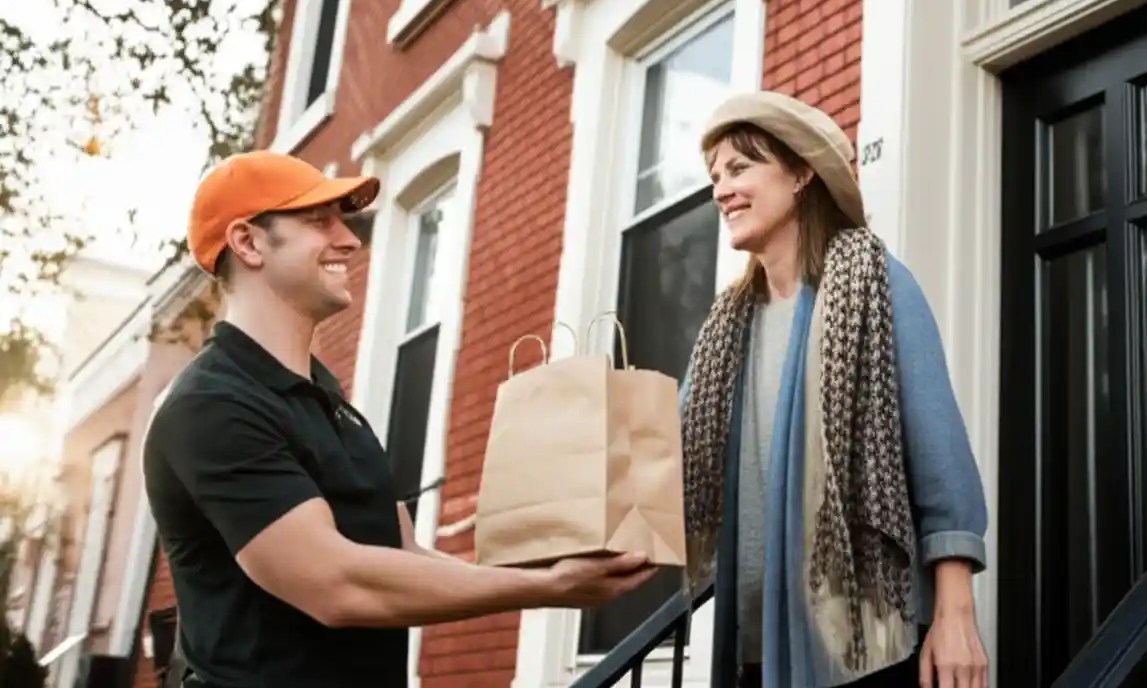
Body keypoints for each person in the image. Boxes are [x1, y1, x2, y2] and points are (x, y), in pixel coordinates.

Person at [143, 151, 657, 688]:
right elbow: (334, 584)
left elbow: (403, 553)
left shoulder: (332, 404)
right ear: (248, 242)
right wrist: (548, 589)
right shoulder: (212, 406)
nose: (348, 240)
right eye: (319, 221)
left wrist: (544, 572)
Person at [679, 92, 989, 688]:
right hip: (753, 649)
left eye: (740, 168)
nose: (721, 190)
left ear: (801, 173)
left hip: (866, 645)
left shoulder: (876, 285)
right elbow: (670, 460)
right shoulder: (725, 329)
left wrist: (955, 615)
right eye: (716, 176)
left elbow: (941, 459)